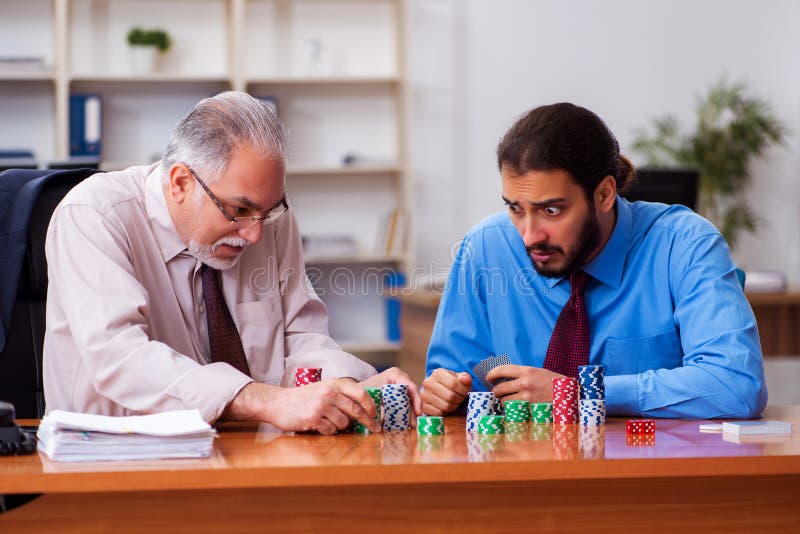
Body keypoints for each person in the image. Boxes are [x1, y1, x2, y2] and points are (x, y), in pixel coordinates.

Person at [43, 91, 421, 434]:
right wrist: (264, 399)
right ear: (180, 183)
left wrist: (347, 384)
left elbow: (301, 339)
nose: (255, 234)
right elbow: (120, 358)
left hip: (248, 455)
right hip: (114, 457)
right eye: (238, 210)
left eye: (267, 212)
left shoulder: (268, 218)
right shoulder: (94, 215)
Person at [421, 103, 767, 419]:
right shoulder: (486, 248)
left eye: (551, 210)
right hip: (522, 473)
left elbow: (735, 385)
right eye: (515, 208)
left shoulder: (685, 245)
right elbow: (471, 370)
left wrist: (577, 393)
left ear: (603, 194)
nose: (528, 235)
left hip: (650, 477)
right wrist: (446, 391)